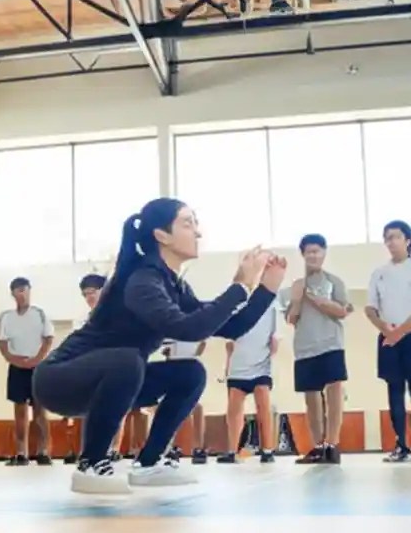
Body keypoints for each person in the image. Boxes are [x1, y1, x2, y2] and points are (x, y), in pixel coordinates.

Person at [33, 198, 285, 494]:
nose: (198, 233)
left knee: (190, 373)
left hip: (117, 378)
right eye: (187, 223)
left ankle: (149, 463)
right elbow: (188, 329)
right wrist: (240, 285)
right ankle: (91, 464)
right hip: (59, 381)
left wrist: (266, 289)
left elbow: (231, 326)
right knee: (128, 360)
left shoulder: (172, 283)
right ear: (161, 235)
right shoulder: (142, 280)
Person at [365, 221, 411, 463]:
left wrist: (402, 331)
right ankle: (401, 444)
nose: (391, 242)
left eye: (395, 237)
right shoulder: (379, 272)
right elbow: (370, 308)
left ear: (407, 240)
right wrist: (385, 328)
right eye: (387, 238)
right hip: (388, 337)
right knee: (394, 390)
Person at [287, 233, 351, 464]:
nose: (313, 255)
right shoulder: (296, 285)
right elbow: (291, 319)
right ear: (303, 255)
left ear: (324, 253)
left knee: (334, 390)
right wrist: (296, 300)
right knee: (311, 396)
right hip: (305, 346)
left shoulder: (334, 281)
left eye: (317, 251)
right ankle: (317, 446)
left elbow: (343, 311)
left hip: (331, 343)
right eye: (308, 252)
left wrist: (316, 299)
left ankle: (332, 444)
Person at [0, 277, 55, 466]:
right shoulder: (6, 317)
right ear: (12, 294)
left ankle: (44, 451)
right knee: (20, 412)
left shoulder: (40, 313)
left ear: (29, 291)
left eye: (24, 290)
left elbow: (48, 339)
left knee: (40, 411)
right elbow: (2, 342)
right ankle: (22, 452)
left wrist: (37, 359)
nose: (21, 294)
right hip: (17, 367)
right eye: (17, 290)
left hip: (38, 367)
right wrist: (13, 359)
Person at [219, 298, 281, 464]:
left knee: (263, 406)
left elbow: (275, 339)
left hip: (261, 366)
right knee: (234, 409)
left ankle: (267, 451)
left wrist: (269, 357)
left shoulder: (271, 306)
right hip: (238, 367)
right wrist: (227, 366)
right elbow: (229, 342)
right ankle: (232, 451)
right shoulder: (237, 304)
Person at [64, 274, 109, 466]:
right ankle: (89, 455)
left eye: (93, 292)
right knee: (91, 413)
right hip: (90, 370)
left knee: (111, 412)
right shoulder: (81, 321)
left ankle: (108, 451)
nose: (89, 297)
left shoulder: (117, 315)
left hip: (112, 369)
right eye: (85, 294)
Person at [162, 340, 209, 463]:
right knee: (177, 407)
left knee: (195, 408)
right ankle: (173, 447)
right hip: (173, 368)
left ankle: (197, 448)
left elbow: (202, 345)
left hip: (189, 366)